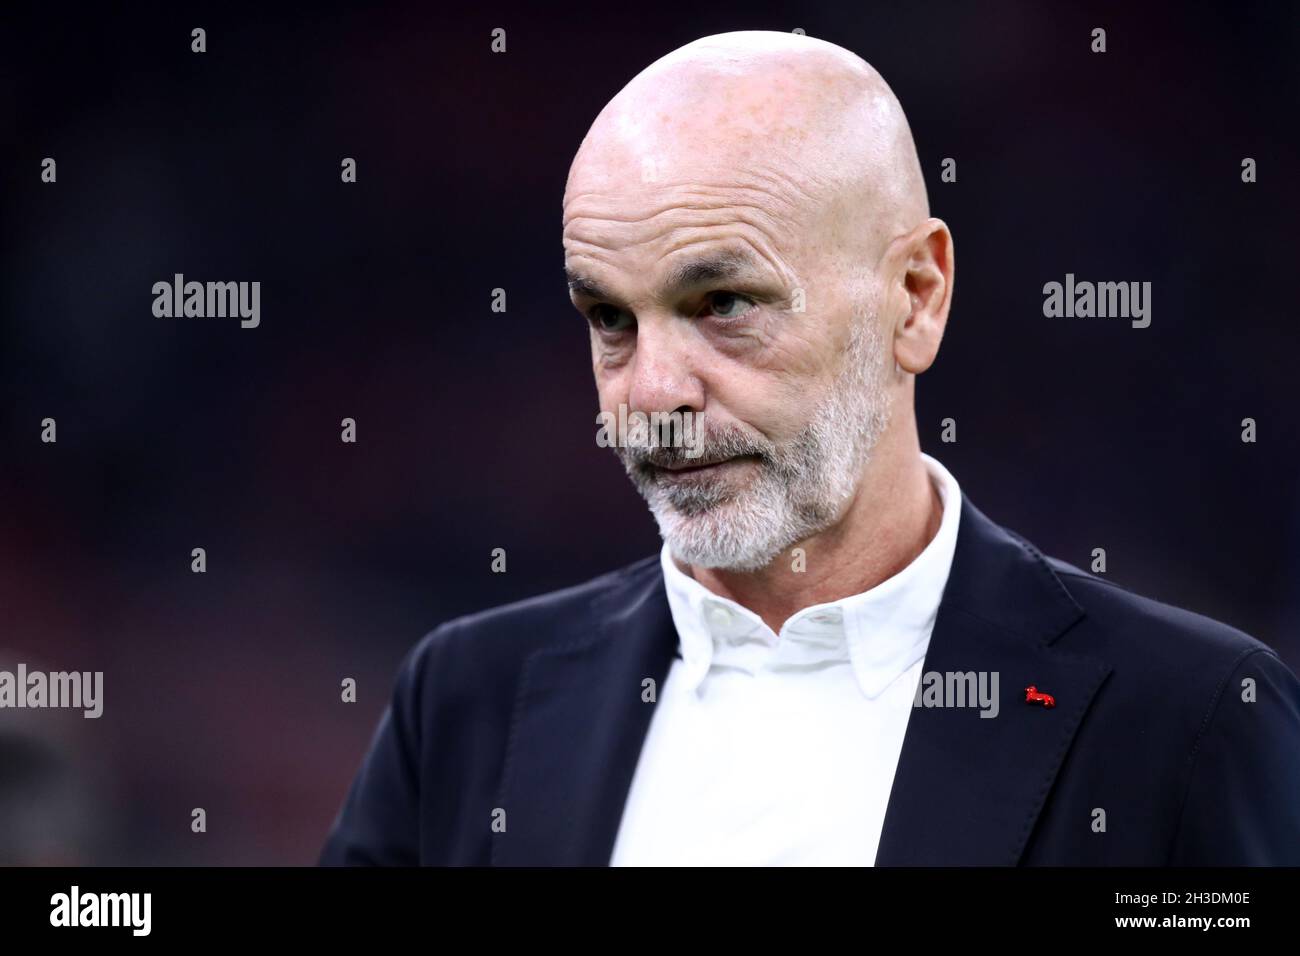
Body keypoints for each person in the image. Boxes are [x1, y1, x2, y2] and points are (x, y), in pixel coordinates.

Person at [320, 30, 1300, 866]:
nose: (653, 391)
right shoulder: (461, 705)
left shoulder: (1186, 720)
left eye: (725, 303)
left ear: (915, 296)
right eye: (609, 317)